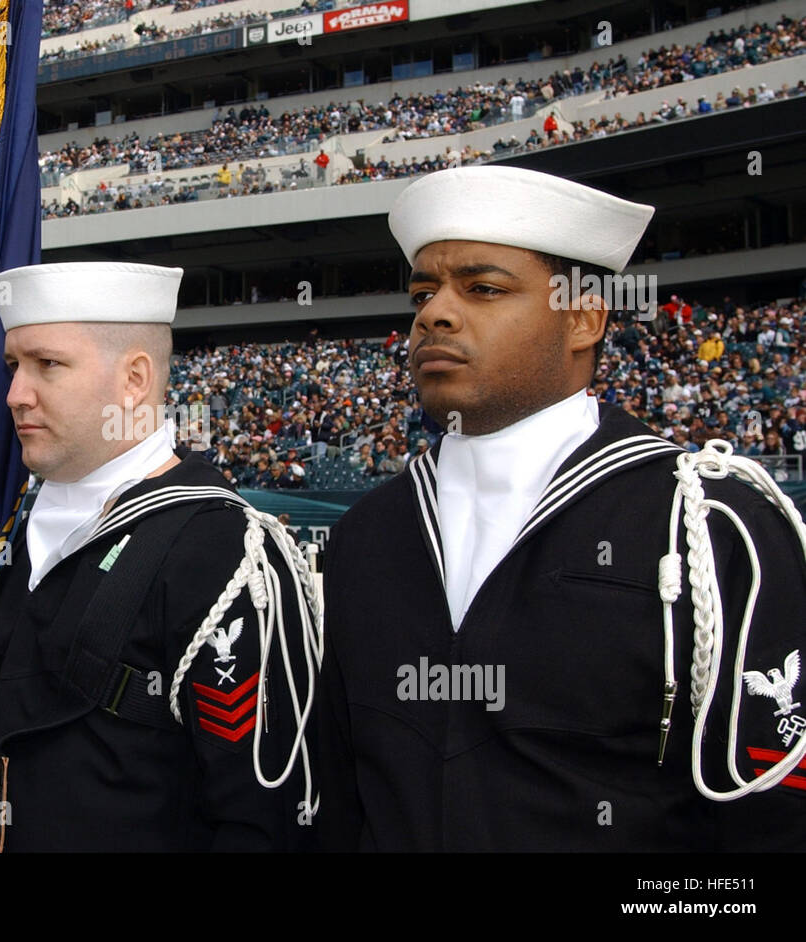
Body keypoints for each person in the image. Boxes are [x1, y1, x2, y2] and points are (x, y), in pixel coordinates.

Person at [314, 165, 806, 851]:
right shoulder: (367, 533)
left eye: (482, 288)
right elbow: (339, 802)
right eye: (423, 292)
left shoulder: (707, 521)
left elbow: (773, 824)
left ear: (582, 318)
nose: (433, 313)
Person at [0, 262, 321, 852]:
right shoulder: (23, 536)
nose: (16, 394)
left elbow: (261, 815)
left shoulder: (222, 548)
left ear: (134, 380)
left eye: (47, 364)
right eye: (13, 367)